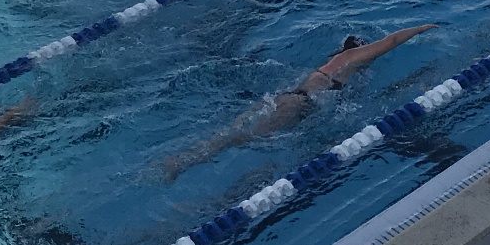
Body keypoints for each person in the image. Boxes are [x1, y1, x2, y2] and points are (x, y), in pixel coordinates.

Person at [160, 26, 436, 179]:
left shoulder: (335, 64)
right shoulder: (349, 60)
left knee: (229, 135)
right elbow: (391, 40)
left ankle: (181, 161)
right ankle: (180, 164)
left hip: (289, 99)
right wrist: (421, 28)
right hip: (296, 106)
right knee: (241, 138)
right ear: (356, 49)